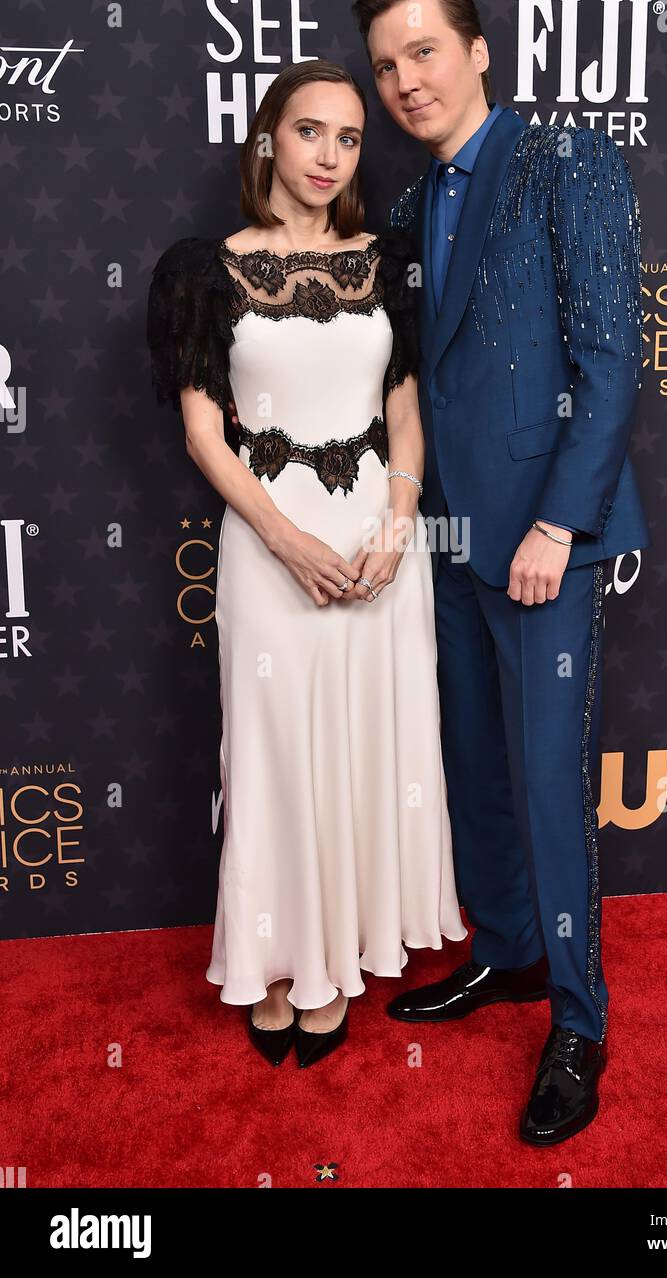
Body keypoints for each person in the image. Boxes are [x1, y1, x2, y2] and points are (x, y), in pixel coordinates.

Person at [349, 0, 651, 1145]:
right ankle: (514, 958)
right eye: (384, 64)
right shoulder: (418, 197)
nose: (404, 80)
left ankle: (578, 1019)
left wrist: (558, 524)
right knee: (477, 772)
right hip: (453, 537)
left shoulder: (567, 160)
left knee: (545, 785)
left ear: (479, 52)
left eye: (422, 51)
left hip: (543, 543)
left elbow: (611, 357)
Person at [146, 58, 467, 1071]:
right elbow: (205, 434)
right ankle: (281, 965)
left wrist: (398, 517)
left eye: (349, 136)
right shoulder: (204, 267)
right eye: (308, 131)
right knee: (277, 759)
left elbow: (405, 409)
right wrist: (284, 538)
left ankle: (344, 958)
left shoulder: (391, 261)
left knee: (372, 750)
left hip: (380, 539)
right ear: (267, 141)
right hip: (267, 537)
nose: (328, 154)